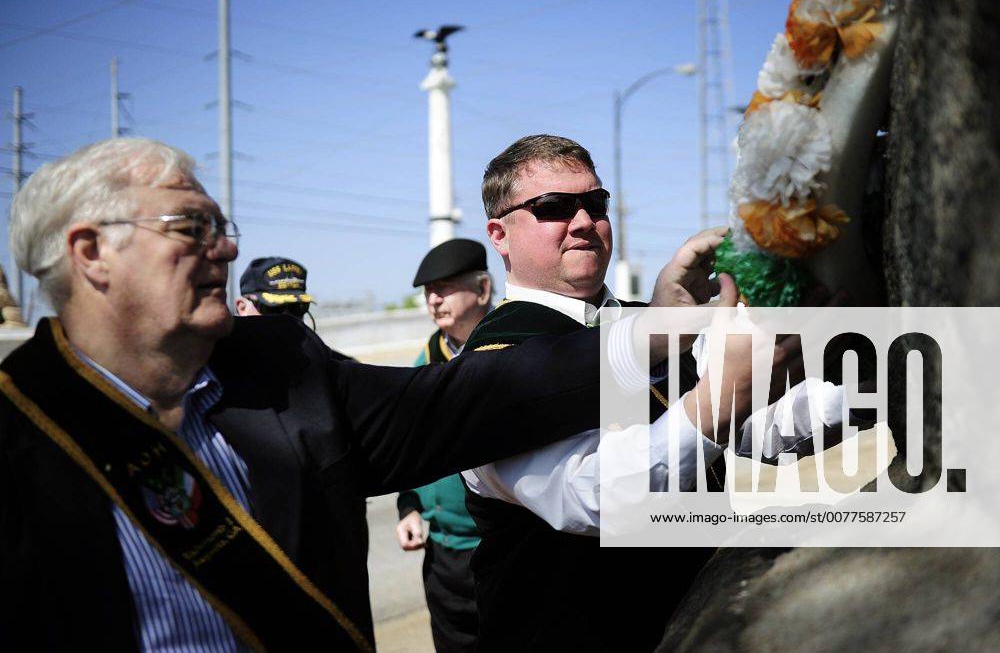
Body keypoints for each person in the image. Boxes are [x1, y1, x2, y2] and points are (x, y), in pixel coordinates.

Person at [0, 138, 682, 651]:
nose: (227, 250)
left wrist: (657, 335)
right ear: (90, 253)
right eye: (192, 228)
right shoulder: (19, 433)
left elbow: (474, 399)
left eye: (222, 227)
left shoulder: (283, 366)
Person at [461, 134, 843, 651]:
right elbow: (595, 497)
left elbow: (757, 430)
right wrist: (720, 402)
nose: (582, 222)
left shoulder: (649, 320)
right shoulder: (491, 360)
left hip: (702, 622)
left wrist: (867, 391)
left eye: (594, 203)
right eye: (551, 208)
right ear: (499, 234)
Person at [396, 238, 492, 652]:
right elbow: (407, 444)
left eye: (446, 287)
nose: (434, 300)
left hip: (501, 547)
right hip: (443, 557)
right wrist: (409, 505)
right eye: (428, 291)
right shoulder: (425, 363)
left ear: (483, 290)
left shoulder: (515, 348)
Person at [235, 256, 314, 326]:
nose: (288, 319)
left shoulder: (312, 342)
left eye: (296, 308)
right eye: (274, 310)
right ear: (242, 308)